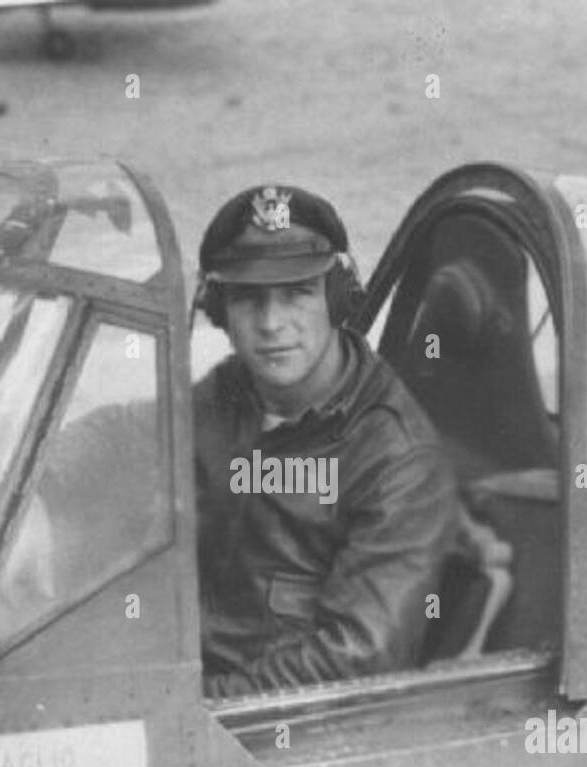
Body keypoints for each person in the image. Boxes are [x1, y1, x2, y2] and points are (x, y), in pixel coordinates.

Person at [193, 183, 461, 697]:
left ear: (337, 298)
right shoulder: (230, 393)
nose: (272, 324)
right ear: (219, 308)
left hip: (270, 730)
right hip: (175, 677)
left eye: (297, 293)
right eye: (248, 297)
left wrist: (204, 706)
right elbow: (129, 440)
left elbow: (360, 656)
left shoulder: (396, 457)